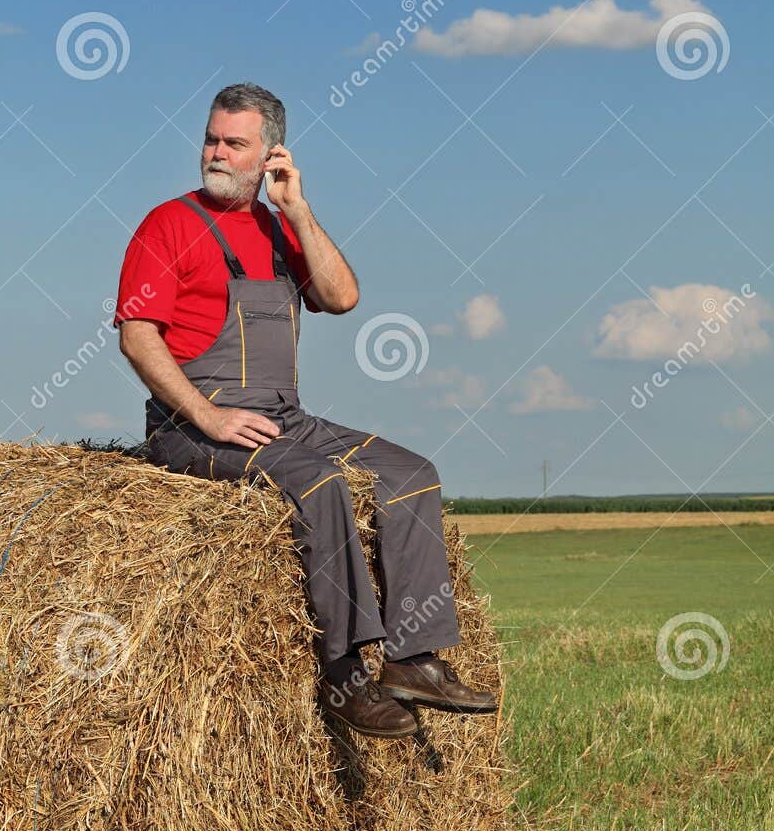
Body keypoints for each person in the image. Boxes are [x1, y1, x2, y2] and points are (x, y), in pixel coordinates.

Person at [113, 82, 497, 737]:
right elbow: (136, 333)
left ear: (270, 156)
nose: (215, 153)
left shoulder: (275, 227)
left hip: (283, 418)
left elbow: (342, 296)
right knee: (318, 486)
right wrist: (206, 417)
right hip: (192, 429)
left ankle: (412, 659)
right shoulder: (168, 224)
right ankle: (344, 680)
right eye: (210, 139)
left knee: (411, 472)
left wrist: (296, 210)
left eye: (234, 143)